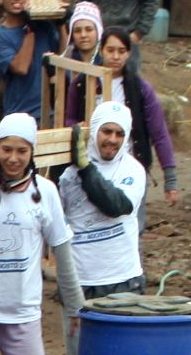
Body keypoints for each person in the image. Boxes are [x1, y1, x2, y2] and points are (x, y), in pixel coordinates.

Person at [0, 113, 82, 355]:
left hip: (22, 314)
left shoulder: (46, 192)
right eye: (6, 149)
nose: (12, 158)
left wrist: (76, 306)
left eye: (21, 151)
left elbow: (62, 250)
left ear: (32, 153)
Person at [65, 28, 178, 206]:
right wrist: (78, 126)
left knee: (130, 219)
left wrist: (170, 177)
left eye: (121, 51)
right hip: (89, 166)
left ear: (129, 53)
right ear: (101, 50)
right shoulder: (81, 83)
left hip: (130, 165)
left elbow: (159, 132)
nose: (116, 56)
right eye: (110, 50)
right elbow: (68, 119)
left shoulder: (140, 89)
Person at [57, 100, 147, 301]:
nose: (113, 139)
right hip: (79, 282)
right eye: (106, 131)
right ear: (95, 130)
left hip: (123, 281)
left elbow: (116, 205)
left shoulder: (132, 169)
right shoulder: (69, 173)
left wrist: (86, 169)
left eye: (120, 134)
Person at [0, 0, 63, 122]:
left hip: (49, 112)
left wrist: (61, 24)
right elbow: (21, 67)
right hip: (18, 113)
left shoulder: (44, 26)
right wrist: (29, 29)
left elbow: (62, 54)